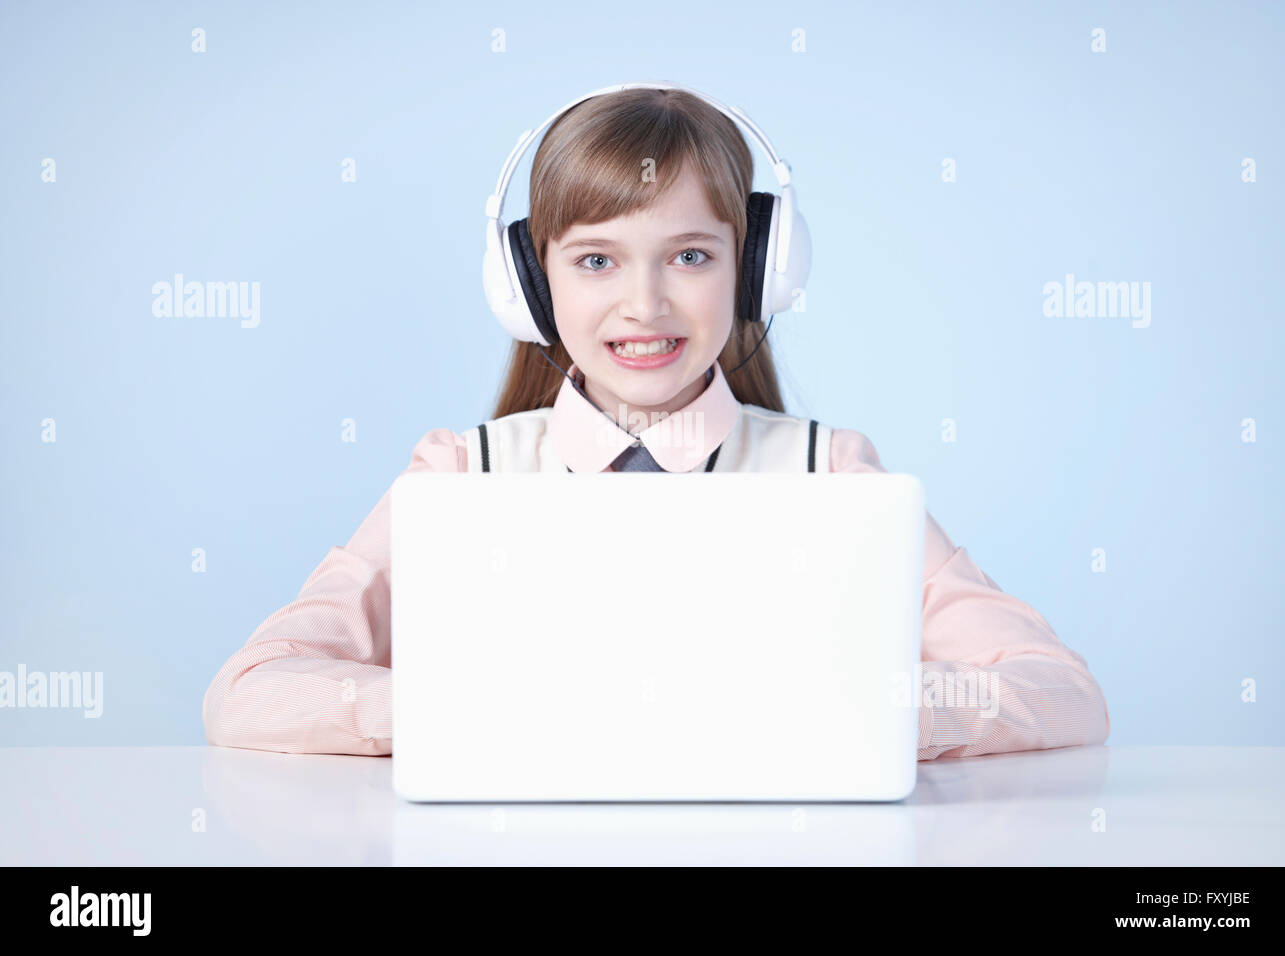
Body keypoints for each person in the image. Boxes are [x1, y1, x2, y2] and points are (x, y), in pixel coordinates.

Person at [202, 83, 1109, 761]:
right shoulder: (456, 478)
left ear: (756, 273)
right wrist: (449, 711)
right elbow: (248, 692)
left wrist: (868, 712)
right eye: (596, 259)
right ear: (530, 285)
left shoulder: (829, 475)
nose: (645, 303)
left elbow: (1063, 694)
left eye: (689, 255)